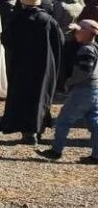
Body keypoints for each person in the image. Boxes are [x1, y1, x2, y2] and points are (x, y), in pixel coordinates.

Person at [0, 0, 64, 144]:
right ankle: (37, 130)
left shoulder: (16, 20)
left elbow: (7, 40)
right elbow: (59, 42)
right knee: (40, 97)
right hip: (44, 67)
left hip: (22, 67)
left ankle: (27, 133)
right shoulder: (48, 20)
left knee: (22, 97)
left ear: (22, 2)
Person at [39, 19, 98, 164]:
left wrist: (68, 82)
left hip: (82, 91)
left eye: (78, 30)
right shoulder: (95, 47)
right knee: (95, 123)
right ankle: (96, 155)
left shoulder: (86, 50)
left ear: (87, 32)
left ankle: (56, 151)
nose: (75, 33)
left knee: (63, 121)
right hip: (94, 90)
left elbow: (83, 72)